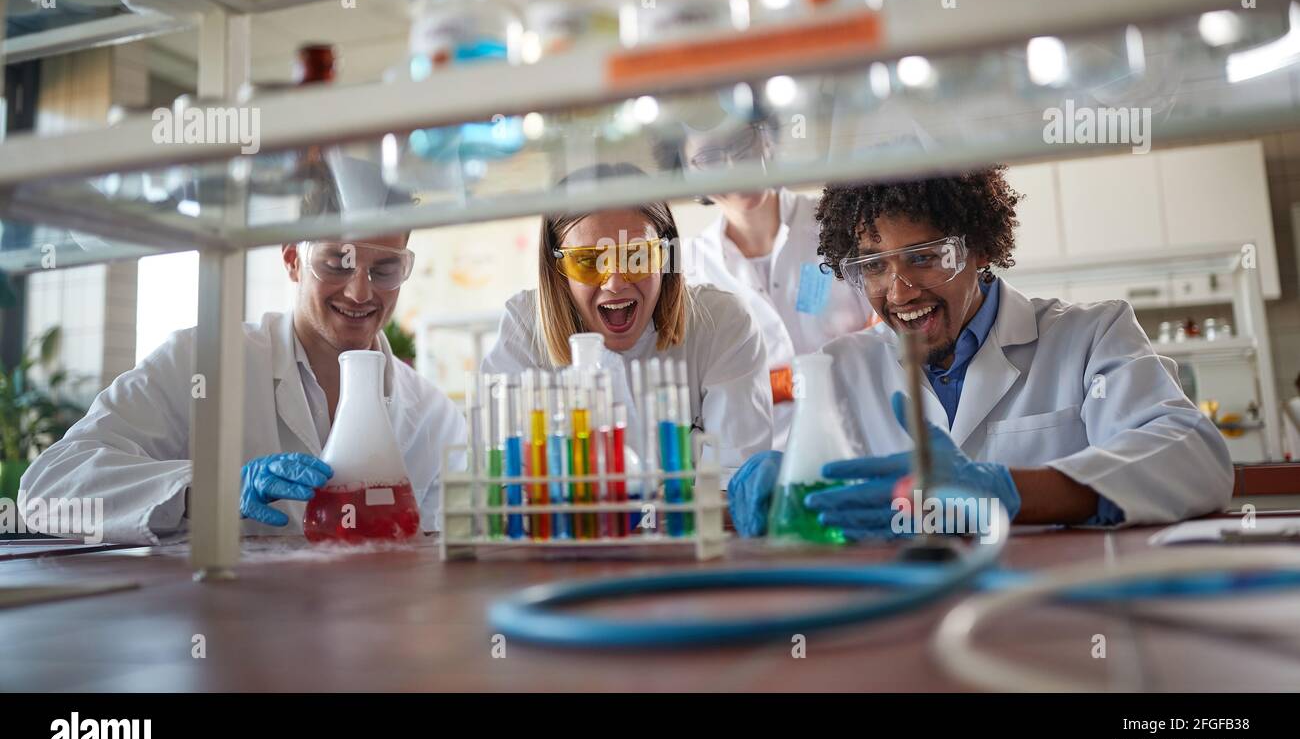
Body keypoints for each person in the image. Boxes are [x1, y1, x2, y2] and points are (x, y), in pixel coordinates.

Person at [728, 168, 1233, 538]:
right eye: (875, 267)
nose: (899, 292)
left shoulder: (1090, 335)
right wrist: (773, 479)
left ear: (981, 248)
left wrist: (1002, 492)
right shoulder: (841, 369)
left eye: (924, 258)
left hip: (1053, 618)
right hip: (902, 629)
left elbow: (1194, 456)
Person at [20, 161, 466, 544]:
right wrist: (208, 491)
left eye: (385, 268)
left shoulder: (435, 417)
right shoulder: (201, 362)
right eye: (337, 262)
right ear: (292, 259)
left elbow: (441, 560)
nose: (360, 290)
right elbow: (48, 490)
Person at [482, 164, 772, 482]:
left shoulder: (720, 322)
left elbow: (734, 482)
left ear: (666, 252)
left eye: (637, 256)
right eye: (589, 261)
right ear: (557, 269)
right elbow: (507, 486)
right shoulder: (524, 330)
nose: (615, 283)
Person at [672, 115, 879, 448]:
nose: (734, 166)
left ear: (768, 139)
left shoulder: (838, 223)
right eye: (710, 158)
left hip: (869, 440)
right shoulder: (690, 267)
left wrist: (784, 381)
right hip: (766, 459)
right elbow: (703, 388)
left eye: (743, 144)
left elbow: (892, 328)